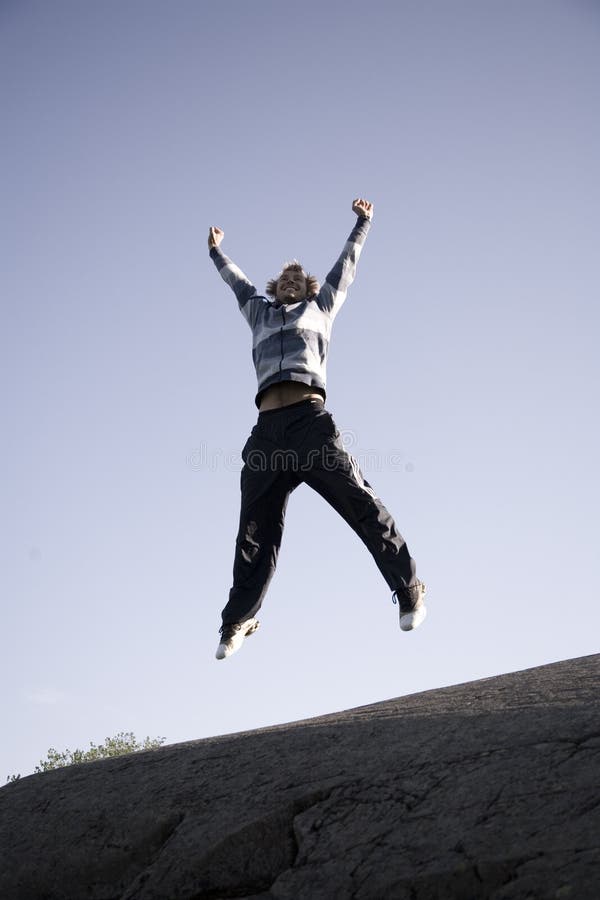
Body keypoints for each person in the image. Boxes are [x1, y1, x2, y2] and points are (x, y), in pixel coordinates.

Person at [208, 198, 426, 660]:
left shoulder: (321, 306)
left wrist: (363, 224)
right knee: (253, 530)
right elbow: (237, 283)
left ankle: (408, 587)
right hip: (267, 433)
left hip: (310, 424)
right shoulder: (259, 312)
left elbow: (345, 267)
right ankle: (237, 620)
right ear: (275, 288)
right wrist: (217, 253)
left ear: (305, 288)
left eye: (296, 279)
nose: (289, 282)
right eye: (282, 279)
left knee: (358, 500)